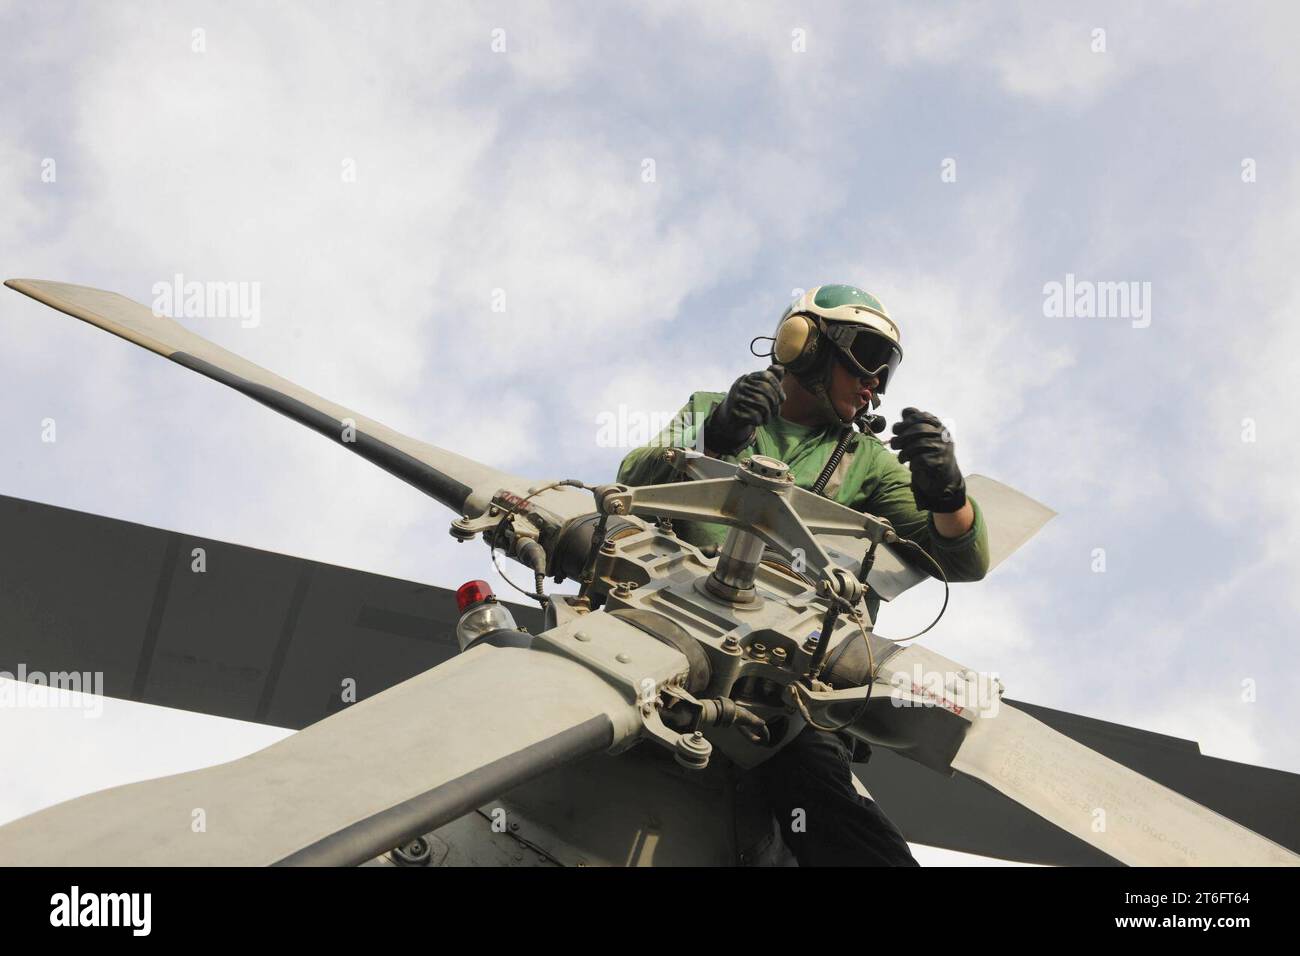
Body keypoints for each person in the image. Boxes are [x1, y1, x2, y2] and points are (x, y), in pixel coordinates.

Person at [617, 284, 990, 866]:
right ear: (806, 344)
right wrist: (714, 434)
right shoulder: (712, 406)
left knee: (824, 798)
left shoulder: (867, 460)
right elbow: (631, 482)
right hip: (662, 626)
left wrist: (948, 492)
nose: (875, 384)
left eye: (886, 372)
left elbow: (962, 561)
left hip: (776, 678)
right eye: (867, 357)